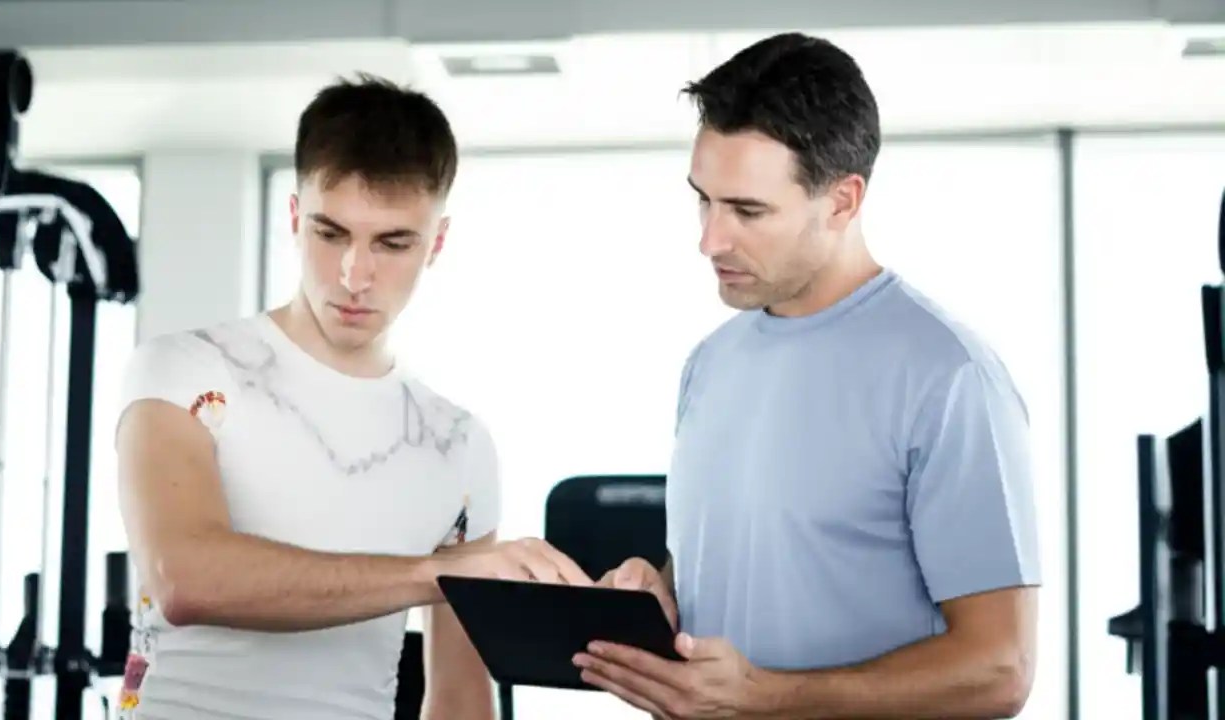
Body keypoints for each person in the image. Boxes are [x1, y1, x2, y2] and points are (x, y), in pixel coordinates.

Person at [577, 32, 1040, 719]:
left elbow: (1000, 669)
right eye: (704, 199)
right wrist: (660, 598)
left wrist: (768, 699)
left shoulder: (949, 376)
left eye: (747, 211)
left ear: (843, 201)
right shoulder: (710, 364)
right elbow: (738, 592)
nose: (709, 239)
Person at [113, 74, 590, 720]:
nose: (354, 275)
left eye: (392, 243)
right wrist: (436, 573)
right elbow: (184, 578)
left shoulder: (460, 446)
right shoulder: (183, 371)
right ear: (292, 217)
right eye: (330, 233)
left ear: (437, 244)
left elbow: (457, 697)